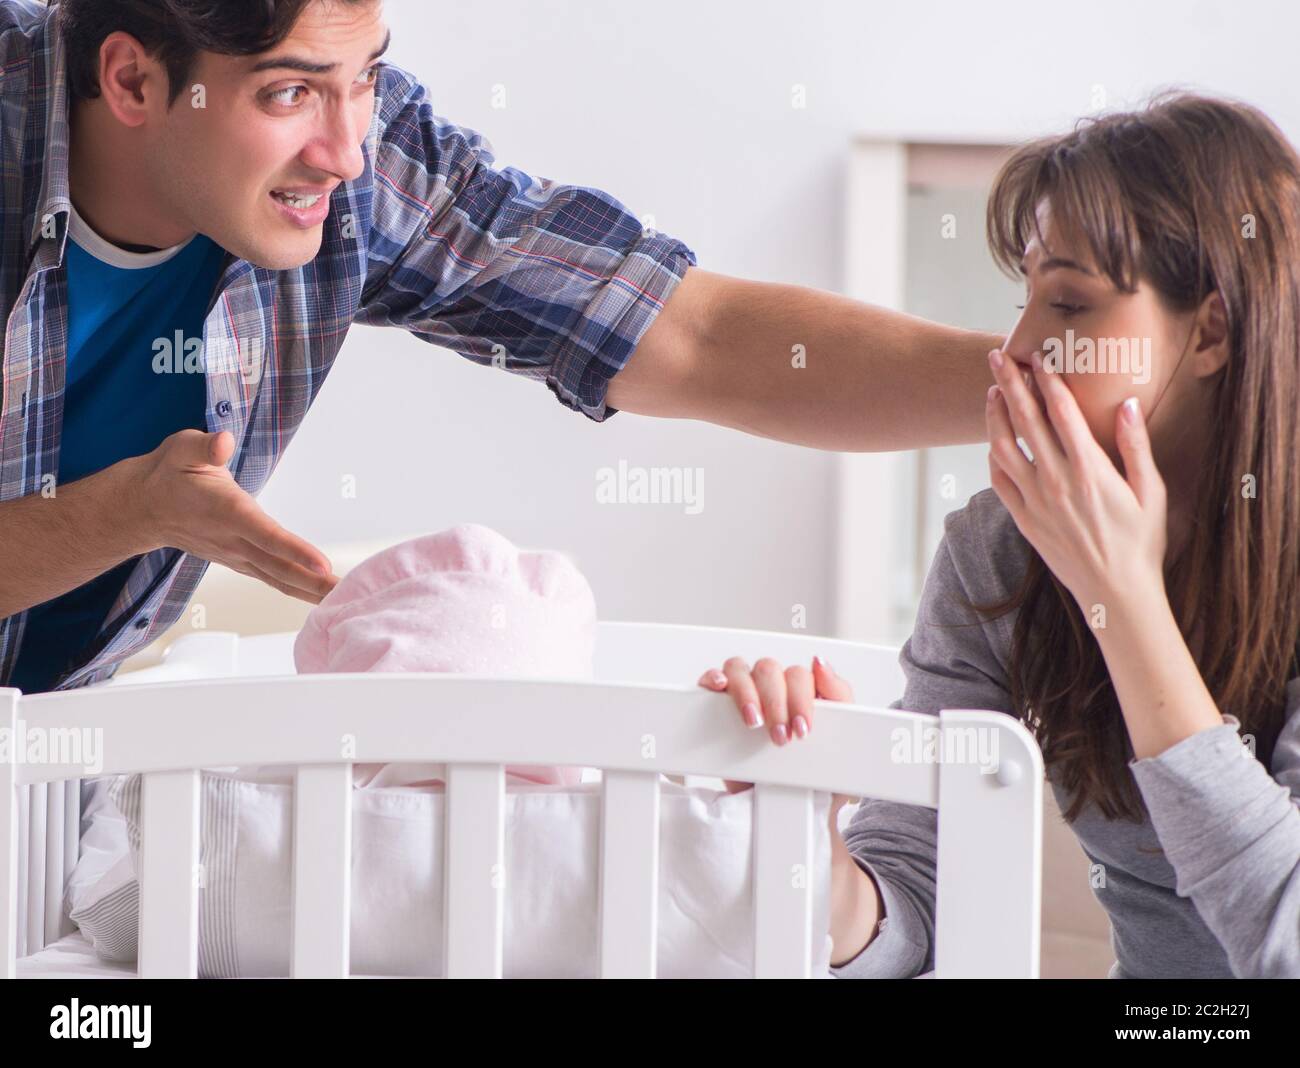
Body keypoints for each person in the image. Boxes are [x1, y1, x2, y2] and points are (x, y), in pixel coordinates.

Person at [0, 0, 997, 694]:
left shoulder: (368, 161)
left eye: (367, 76)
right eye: (290, 94)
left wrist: (1037, 392)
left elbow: (694, 336)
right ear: (130, 77)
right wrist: (128, 513)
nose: (346, 151)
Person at [701, 92, 1300, 978]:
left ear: (1210, 329)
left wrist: (1122, 601)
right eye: (1026, 299)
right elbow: (913, 902)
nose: (1016, 346)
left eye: (1069, 303)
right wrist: (810, 846)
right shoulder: (1001, 551)